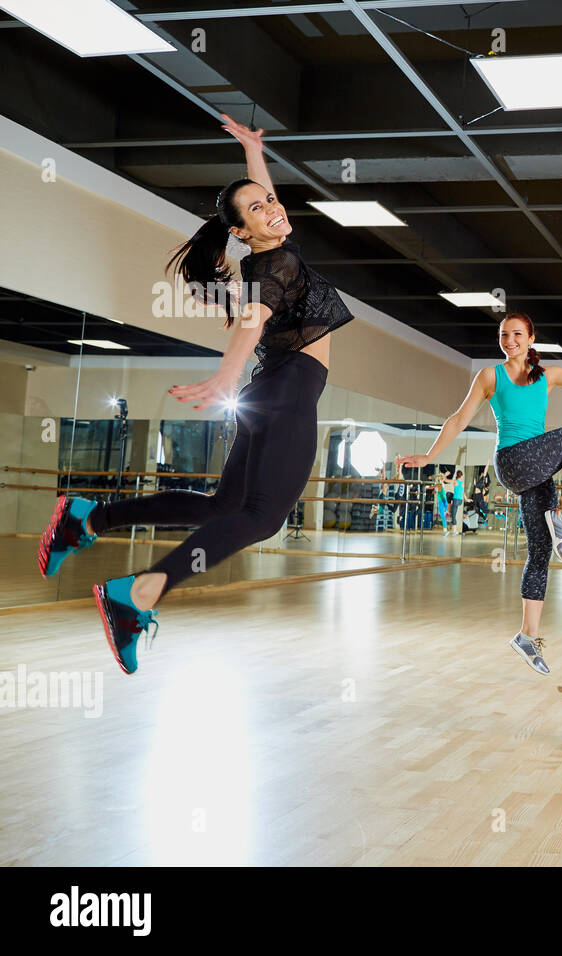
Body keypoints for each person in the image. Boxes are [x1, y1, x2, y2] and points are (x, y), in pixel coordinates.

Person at [35, 113, 353, 675]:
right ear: (240, 231)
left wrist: (254, 153)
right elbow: (250, 323)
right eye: (257, 209)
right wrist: (227, 377)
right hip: (288, 395)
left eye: (269, 201)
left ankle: (87, 517)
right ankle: (136, 593)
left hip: (276, 393)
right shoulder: (273, 262)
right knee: (260, 518)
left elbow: (265, 210)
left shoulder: (267, 250)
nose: (273, 208)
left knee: (225, 509)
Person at [396, 313, 562, 675]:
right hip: (513, 460)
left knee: (540, 553)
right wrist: (430, 456)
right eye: (503, 335)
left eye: (516, 334)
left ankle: (528, 636)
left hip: (535, 471)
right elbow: (458, 419)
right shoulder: (489, 376)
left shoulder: (547, 375)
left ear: (531, 339)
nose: (509, 340)